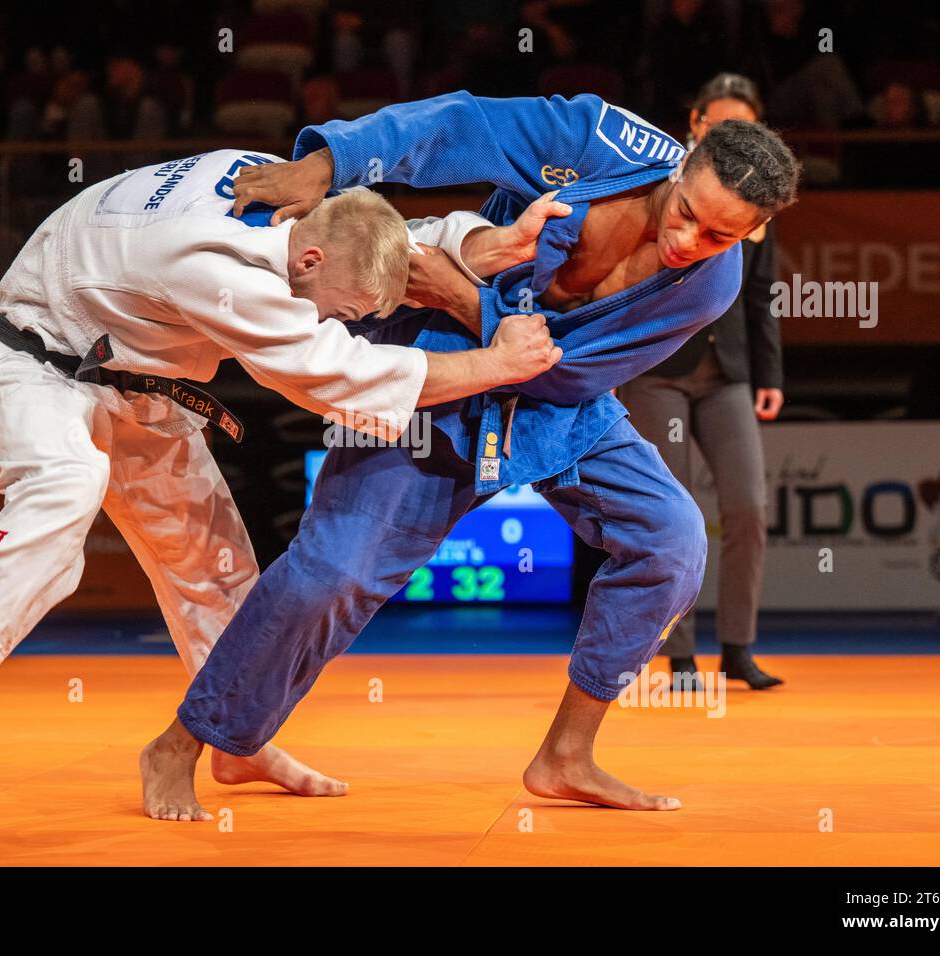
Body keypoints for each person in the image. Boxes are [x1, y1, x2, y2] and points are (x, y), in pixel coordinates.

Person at [141, 90, 800, 822]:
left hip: (555, 404)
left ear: (754, 231)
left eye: (718, 235)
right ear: (683, 167)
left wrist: (464, 296)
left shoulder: (712, 284)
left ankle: (565, 756)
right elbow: (462, 124)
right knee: (332, 574)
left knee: (671, 542)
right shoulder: (597, 142)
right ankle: (189, 742)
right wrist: (332, 161)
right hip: (438, 373)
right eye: (687, 213)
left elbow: (572, 373)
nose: (688, 241)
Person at [0, 146, 563, 810]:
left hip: (136, 377)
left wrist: (496, 242)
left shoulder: (294, 200)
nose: (336, 322)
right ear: (309, 264)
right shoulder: (222, 269)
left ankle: (237, 744)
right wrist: (496, 365)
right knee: (68, 485)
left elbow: (394, 239)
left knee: (216, 568)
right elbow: (342, 374)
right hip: (28, 360)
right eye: (340, 311)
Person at [618, 73, 784, 692]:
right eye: (718, 124)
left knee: (748, 506)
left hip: (729, 374)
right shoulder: (666, 187)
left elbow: (763, 295)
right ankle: (679, 654)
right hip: (658, 371)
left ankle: (738, 647)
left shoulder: (756, 204)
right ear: (694, 123)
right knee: (675, 510)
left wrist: (770, 373)